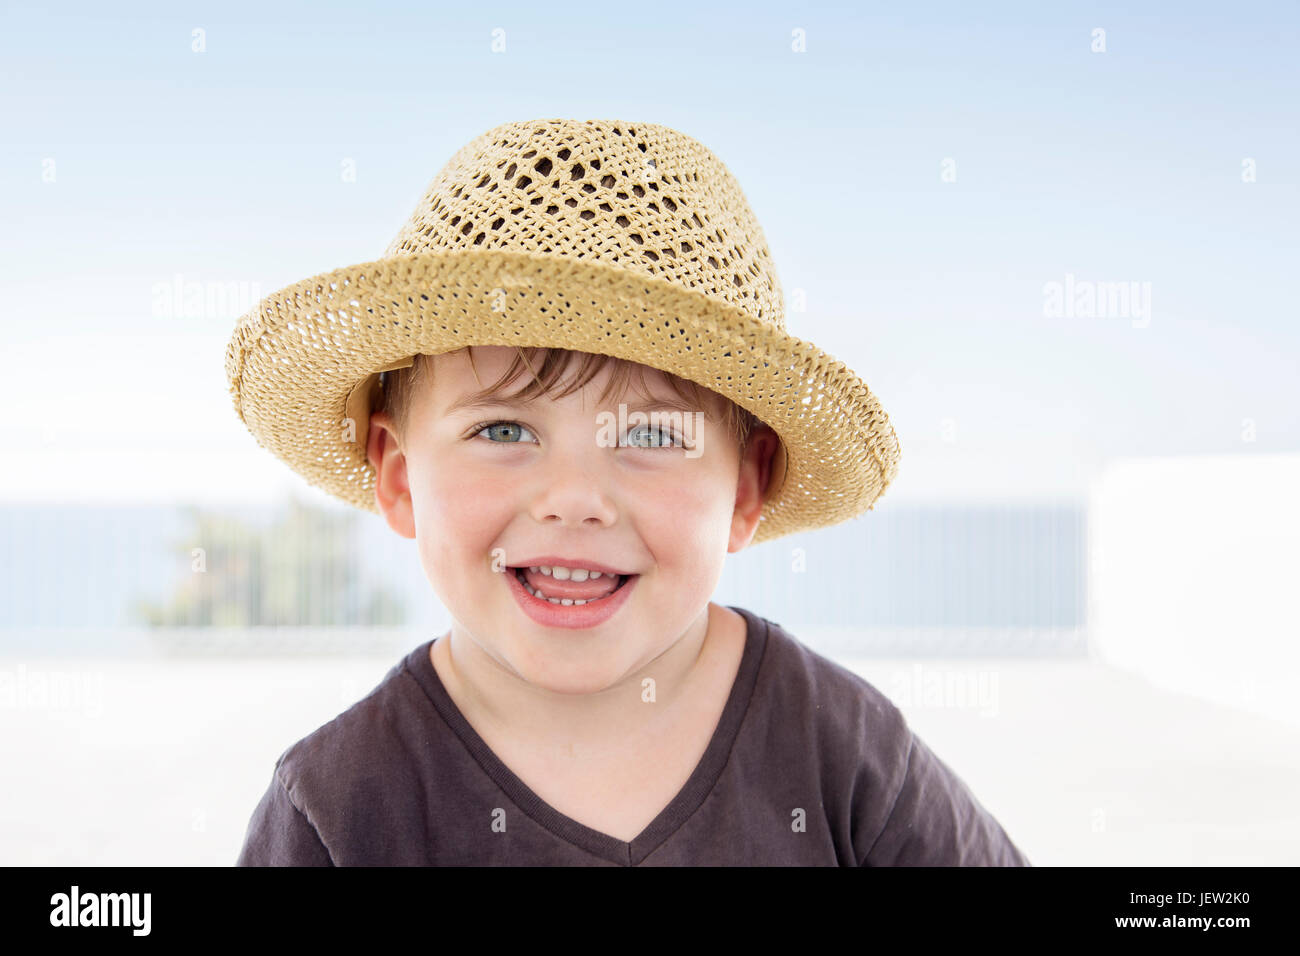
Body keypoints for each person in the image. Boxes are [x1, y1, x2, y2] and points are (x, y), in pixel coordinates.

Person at [227, 118, 1030, 866]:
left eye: (651, 436)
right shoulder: (340, 808)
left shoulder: (841, 752)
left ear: (747, 487)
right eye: (504, 431)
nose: (575, 499)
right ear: (398, 476)